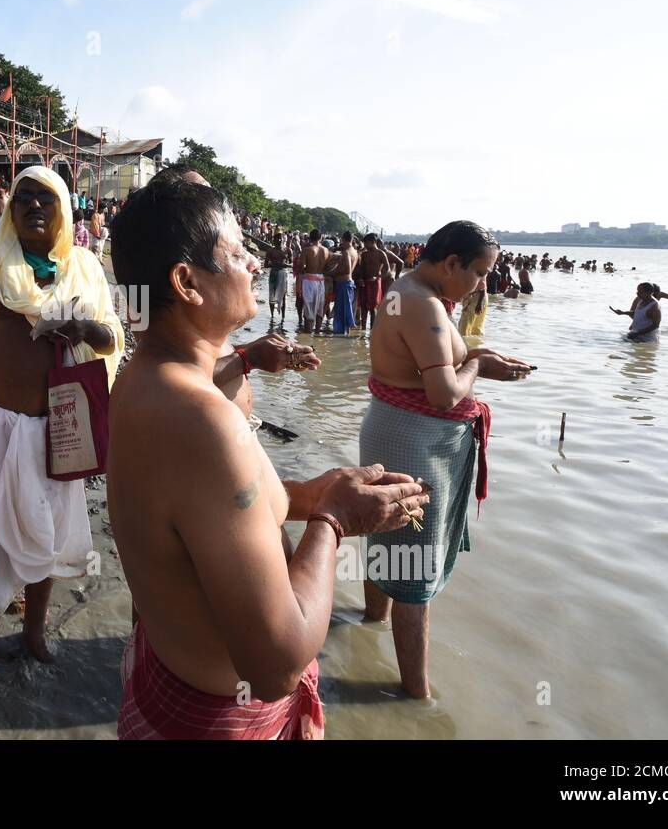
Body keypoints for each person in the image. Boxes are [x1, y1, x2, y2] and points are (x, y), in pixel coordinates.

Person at [106, 177, 428, 739]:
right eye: (236, 252)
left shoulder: (142, 380)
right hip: (217, 719)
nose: (254, 262)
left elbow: (215, 515)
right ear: (186, 282)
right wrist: (332, 519)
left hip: (164, 685)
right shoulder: (204, 420)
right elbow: (276, 666)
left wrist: (318, 492)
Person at [0, 166, 124, 696]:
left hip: (62, 430)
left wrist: (84, 327)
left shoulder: (85, 269)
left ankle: (35, 633)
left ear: (64, 211)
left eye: (45, 199)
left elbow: (111, 339)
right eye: (22, 198)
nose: (32, 207)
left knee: (47, 535)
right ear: (9, 209)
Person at [362, 220, 532, 698]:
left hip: (393, 429)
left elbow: (428, 367)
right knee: (413, 561)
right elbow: (440, 394)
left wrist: (475, 354)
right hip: (416, 440)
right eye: (480, 273)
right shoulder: (424, 304)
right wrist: (479, 366)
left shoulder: (409, 290)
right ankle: (416, 698)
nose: (484, 283)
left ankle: (370, 624)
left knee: (385, 535)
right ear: (451, 262)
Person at [358, 233, 400, 331]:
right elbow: (361, 268)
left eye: (366, 243)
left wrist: (379, 277)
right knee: (363, 306)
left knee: (373, 308)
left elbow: (388, 269)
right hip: (365, 282)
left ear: (373, 242)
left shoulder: (381, 254)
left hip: (375, 283)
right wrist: (360, 278)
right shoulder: (364, 254)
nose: (365, 246)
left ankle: (372, 330)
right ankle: (363, 329)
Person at [296, 229, 330, 333]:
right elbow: (327, 267)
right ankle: (317, 333)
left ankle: (308, 334)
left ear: (310, 238)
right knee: (320, 308)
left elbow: (301, 268)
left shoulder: (307, 250)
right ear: (321, 238)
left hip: (309, 281)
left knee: (308, 308)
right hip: (321, 280)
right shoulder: (326, 250)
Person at [326, 230, 358, 335]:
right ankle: (344, 337)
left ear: (343, 239)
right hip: (348, 284)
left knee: (341, 313)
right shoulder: (354, 252)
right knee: (344, 312)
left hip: (344, 284)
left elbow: (347, 270)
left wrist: (332, 273)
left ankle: (340, 335)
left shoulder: (347, 252)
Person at [264, 238, 291, 331]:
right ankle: (272, 317)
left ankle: (282, 317)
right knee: (272, 295)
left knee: (283, 295)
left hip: (283, 273)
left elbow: (290, 262)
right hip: (274, 272)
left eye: (280, 240)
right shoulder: (270, 251)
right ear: (274, 242)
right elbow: (266, 264)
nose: (279, 242)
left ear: (283, 241)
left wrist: (285, 265)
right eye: (277, 240)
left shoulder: (287, 250)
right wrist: (276, 264)